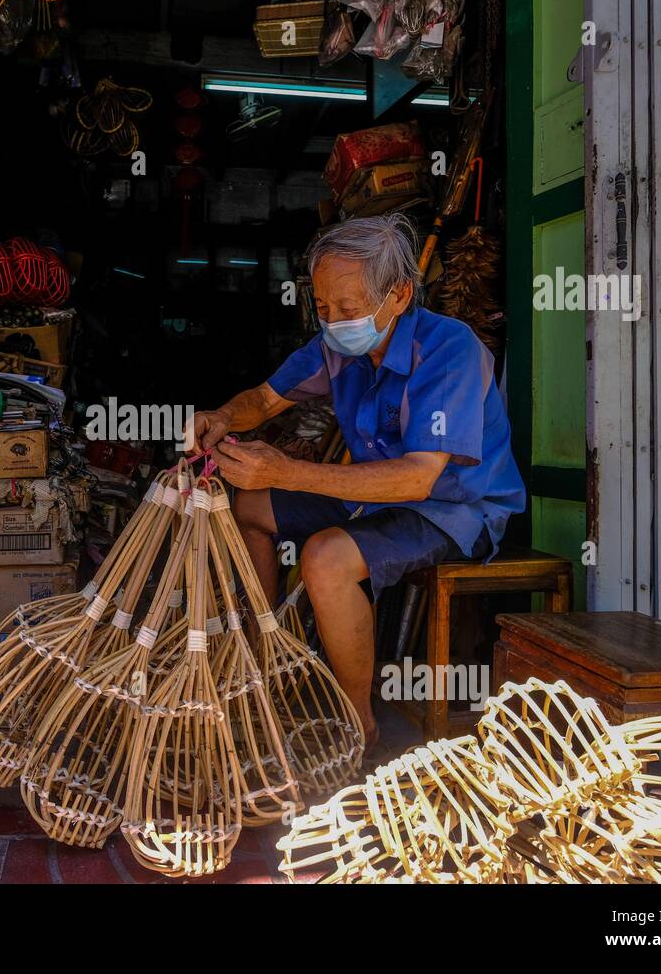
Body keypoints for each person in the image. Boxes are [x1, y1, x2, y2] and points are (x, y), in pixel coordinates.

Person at [192, 214, 525, 746]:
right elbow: (265, 398)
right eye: (323, 309)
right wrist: (223, 417)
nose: (334, 321)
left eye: (347, 309)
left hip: (456, 509)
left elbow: (419, 479)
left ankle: (359, 728)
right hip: (376, 500)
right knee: (250, 502)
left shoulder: (447, 349)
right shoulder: (337, 348)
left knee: (325, 558)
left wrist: (287, 470)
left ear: (397, 295)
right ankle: (260, 657)